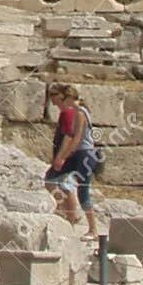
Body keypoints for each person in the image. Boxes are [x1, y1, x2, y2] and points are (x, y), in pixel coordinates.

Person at [45, 84, 100, 238]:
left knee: (83, 193)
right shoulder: (77, 112)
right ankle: (69, 214)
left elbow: (75, 139)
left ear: (69, 98)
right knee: (51, 179)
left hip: (84, 155)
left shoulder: (80, 113)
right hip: (78, 154)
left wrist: (62, 157)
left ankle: (93, 230)